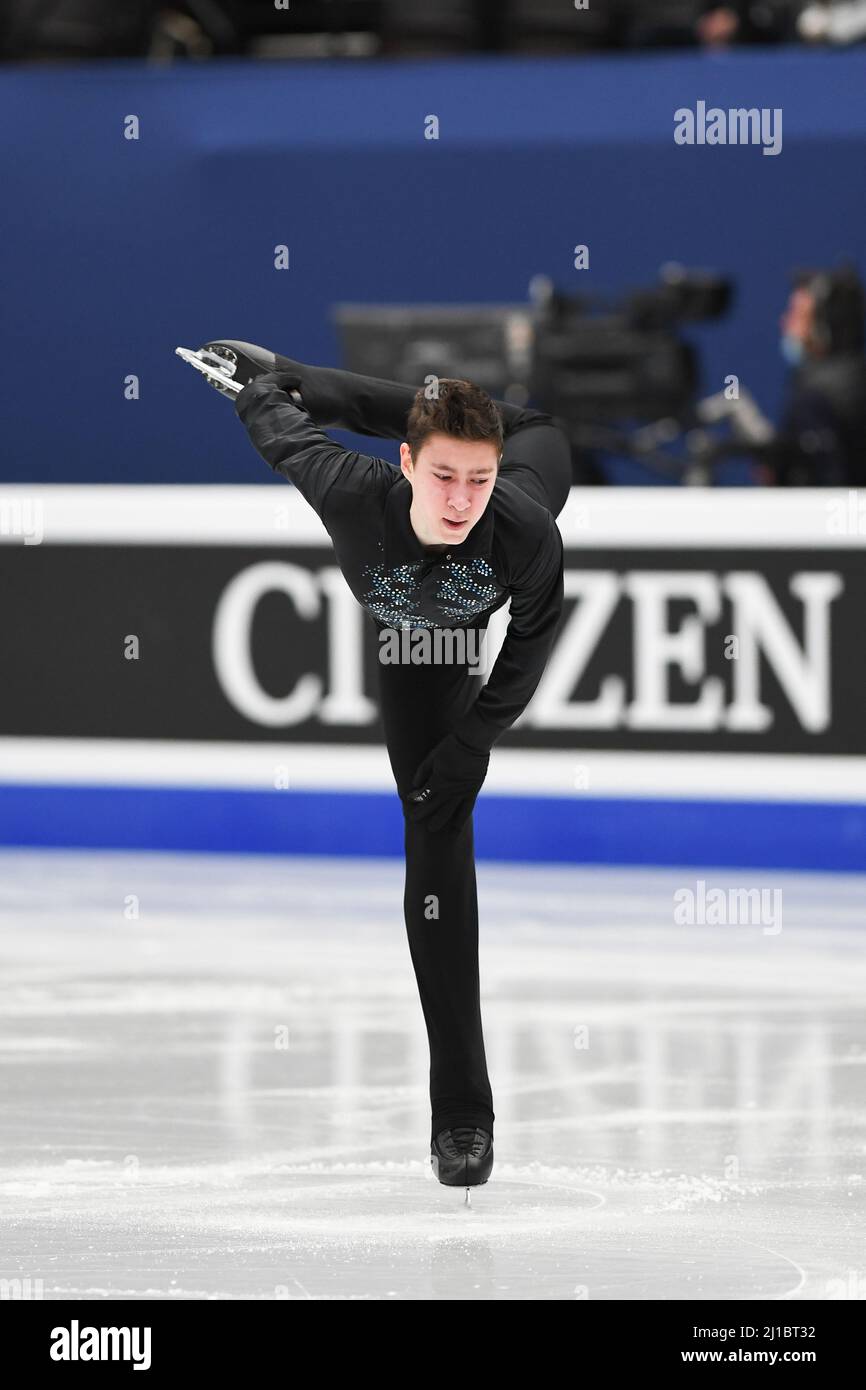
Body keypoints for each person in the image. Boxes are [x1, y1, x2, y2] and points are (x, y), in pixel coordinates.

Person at [181, 339, 572, 1190]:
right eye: (442, 478)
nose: (462, 499)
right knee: (430, 829)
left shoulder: (523, 525)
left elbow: (534, 640)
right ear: (404, 467)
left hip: (528, 451)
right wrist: (268, 387)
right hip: (413, 639)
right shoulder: (353, 492)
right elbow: (278, 430)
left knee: (446, 798)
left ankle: (463, 1113)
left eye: (477, 478)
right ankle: (463, 1119)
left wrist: (472, 748)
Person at [771, 265, 866, 485]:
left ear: (824, 327)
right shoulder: (850, 382)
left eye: (797, 316)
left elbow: (830, 483)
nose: (785, 323)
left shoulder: (816, 400)